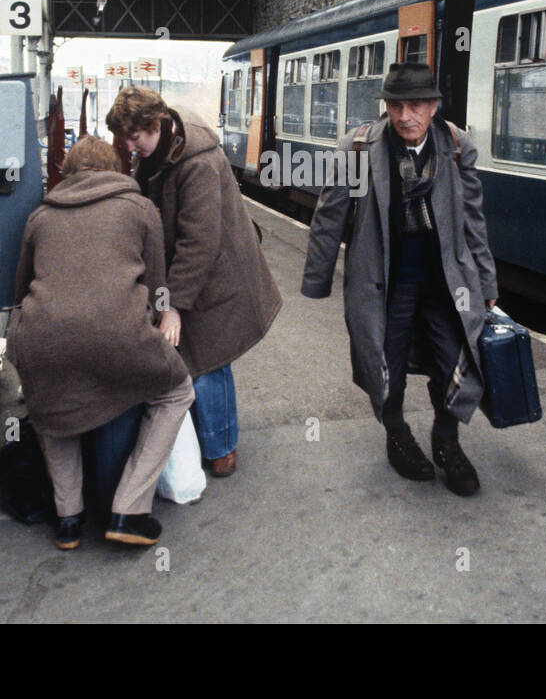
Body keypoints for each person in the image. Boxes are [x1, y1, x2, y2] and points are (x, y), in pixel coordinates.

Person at [301, 62, 498, 496]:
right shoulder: (356, 148)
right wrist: (318, 280)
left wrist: (486, 287)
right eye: (395, 105)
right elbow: (329, 216)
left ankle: (446, 442)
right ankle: (397, 435)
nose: (404, 115)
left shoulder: (457, 148)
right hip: (385, 283)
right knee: (384, 364)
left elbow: (473, 223)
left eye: (414, 106)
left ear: (433, 107)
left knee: (455, 362)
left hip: (447, 284)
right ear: (386, 107)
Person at [7, 135, 195, 548]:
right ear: (116, 170)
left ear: (67, 173)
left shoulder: (40, 216)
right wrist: (168, 315)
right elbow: (157, 284)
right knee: (177, 391)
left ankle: (68, 520)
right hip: (119, 338)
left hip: (43, 338)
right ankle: (129, 509)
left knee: (51, 413)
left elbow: (20, 290)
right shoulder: (141, 209)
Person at [105, 87, 282, 477]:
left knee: (208, 359)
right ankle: (212, 440)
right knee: (198, 359)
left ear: (155, 125)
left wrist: (173, 307)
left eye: (135, 138)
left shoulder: (195, 162)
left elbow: (198, 242)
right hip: (200, 273)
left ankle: (221, 449)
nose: (131, 148)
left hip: (221, 276)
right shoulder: (164, 145)